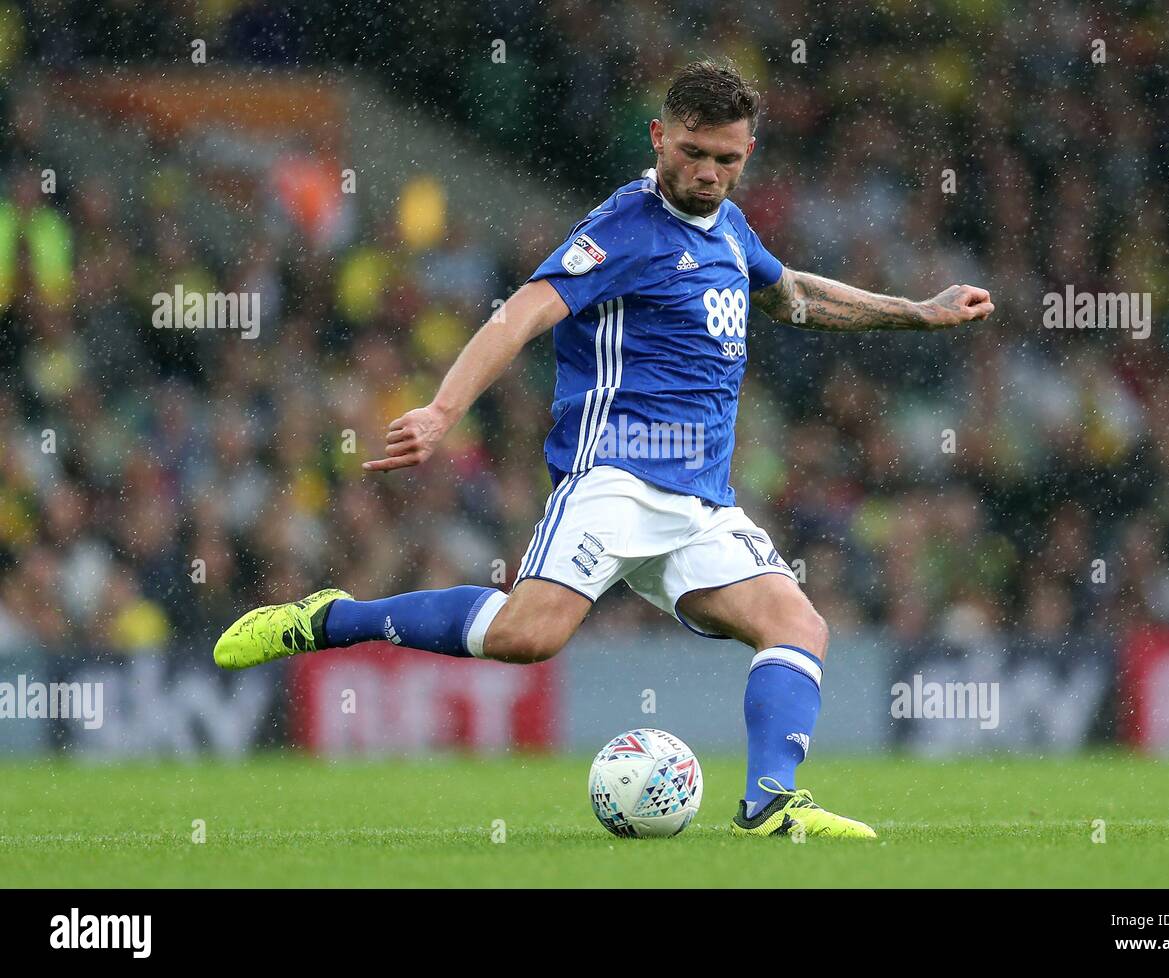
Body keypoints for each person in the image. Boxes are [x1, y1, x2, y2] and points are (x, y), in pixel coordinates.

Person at [214, 58, 994, 839]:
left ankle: (769, 804)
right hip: (615, 478)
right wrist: (444, 409)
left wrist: (917, 312)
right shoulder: (624, 228)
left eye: (728, 158)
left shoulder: (729, 227)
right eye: (694, 152)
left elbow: (791, 295)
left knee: (799, 626)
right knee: (528, 637)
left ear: (748, 153)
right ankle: (332, 620)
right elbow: (519, 315)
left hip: (702, 501)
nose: (710, 172)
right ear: (660, 137)